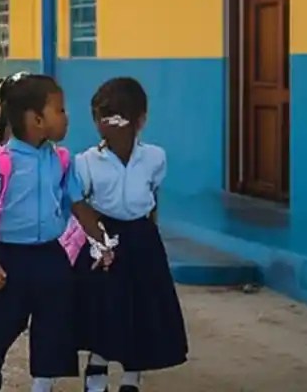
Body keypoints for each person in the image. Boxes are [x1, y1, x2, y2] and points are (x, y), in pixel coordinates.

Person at [68, 77, 188, 392]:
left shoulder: (155, 158)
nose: (111, 127)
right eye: (103, 119)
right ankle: (98, 362)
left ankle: (133, 373)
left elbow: (153, 197)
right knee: (104, 304)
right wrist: (99, 244)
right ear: (96, 122)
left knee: (141, 306)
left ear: (140, 121)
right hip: (104, 236)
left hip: (142, 238)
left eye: (120, 119)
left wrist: (150, 232)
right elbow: (82, 206)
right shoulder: (86, 162)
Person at [0, 72, 80, 392]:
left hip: (49, 253)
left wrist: (98, 237)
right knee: (4, 317)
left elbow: (76, 201)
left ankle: (42, 384)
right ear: (36, 120)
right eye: (59, 110)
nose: (65, 117)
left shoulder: (61, 159)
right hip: (7, 255)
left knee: (54, 320)